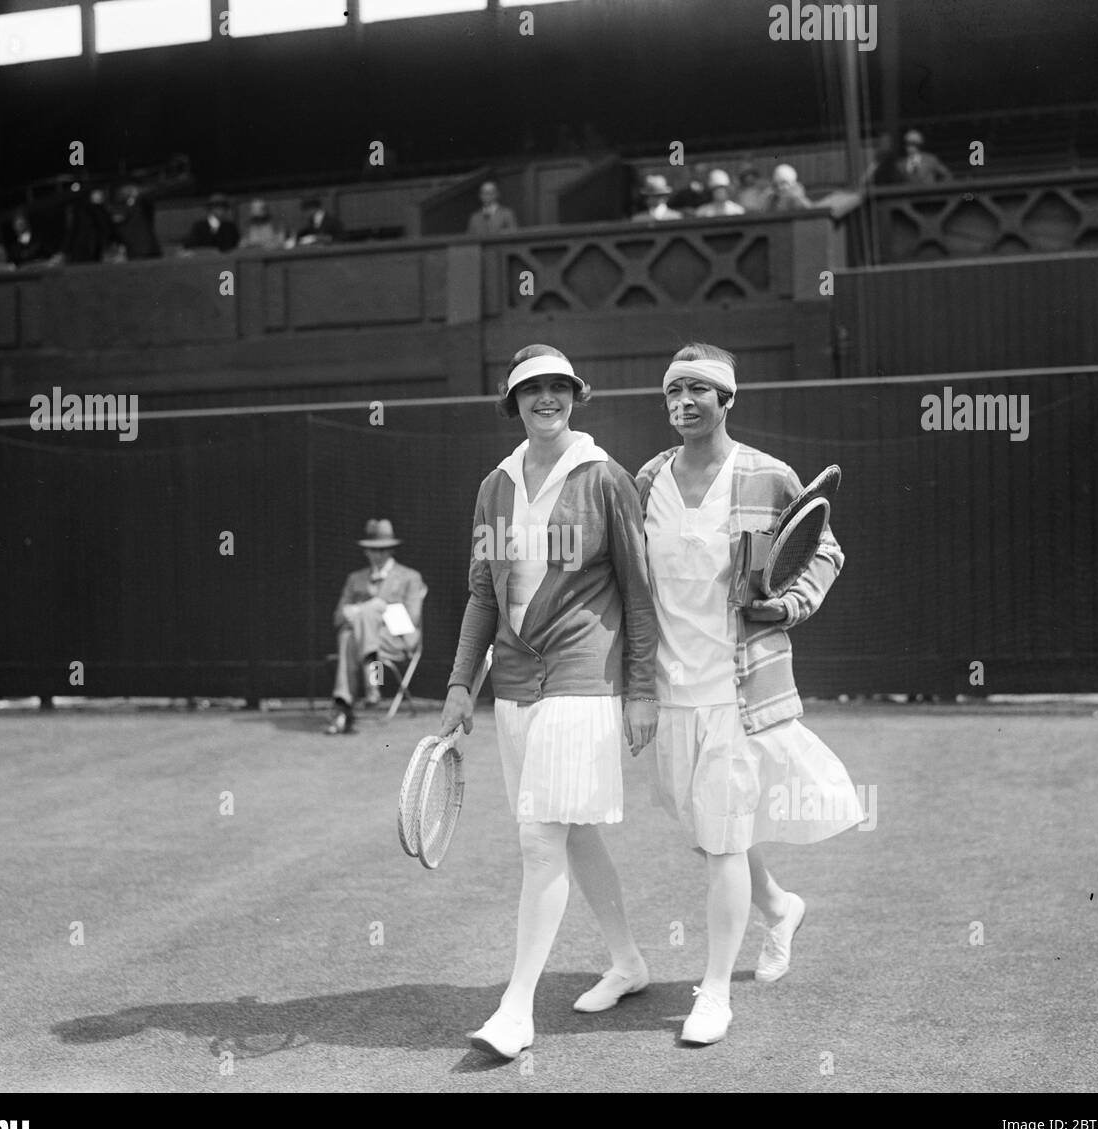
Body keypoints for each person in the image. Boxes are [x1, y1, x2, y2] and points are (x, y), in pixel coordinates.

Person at [632, 343, 864, 1045]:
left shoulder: (767, 475)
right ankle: (781, 905)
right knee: (708, 833)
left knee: (725, 838)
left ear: (727, 399)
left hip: (737, 688)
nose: (683, 403)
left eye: (699, 390)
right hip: (671, 691)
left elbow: (823, 548)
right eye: (673, 392)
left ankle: (712, 994)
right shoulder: (647, 479)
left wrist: (789, 604)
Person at [441, 343, 658, 1059]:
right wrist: (457, 686)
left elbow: (639, 590)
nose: (547, 399)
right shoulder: (493, 487)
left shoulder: (606, 479)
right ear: (514, 400)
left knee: (540, 839)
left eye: (559, 387)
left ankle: (515, 1009)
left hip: (583, 677)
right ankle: (629, 960)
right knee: (572, 831)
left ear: (575, 395)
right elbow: (482, 593)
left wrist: (641, 689)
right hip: (513, 684)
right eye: (533, 389)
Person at [327, 520, 426, 735]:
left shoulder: (410, 577)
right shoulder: (355, 579)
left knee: (358, 627)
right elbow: (338, 617)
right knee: (348, 635)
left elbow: (411, 619)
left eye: (382, 550)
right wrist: (360, 611)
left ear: (391, 549)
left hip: (396, 639)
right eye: (373, 550)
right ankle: (370, 688)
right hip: (367, 646)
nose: (378, 555)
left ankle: (343, 707)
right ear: (366, 551)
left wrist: (378, 609)